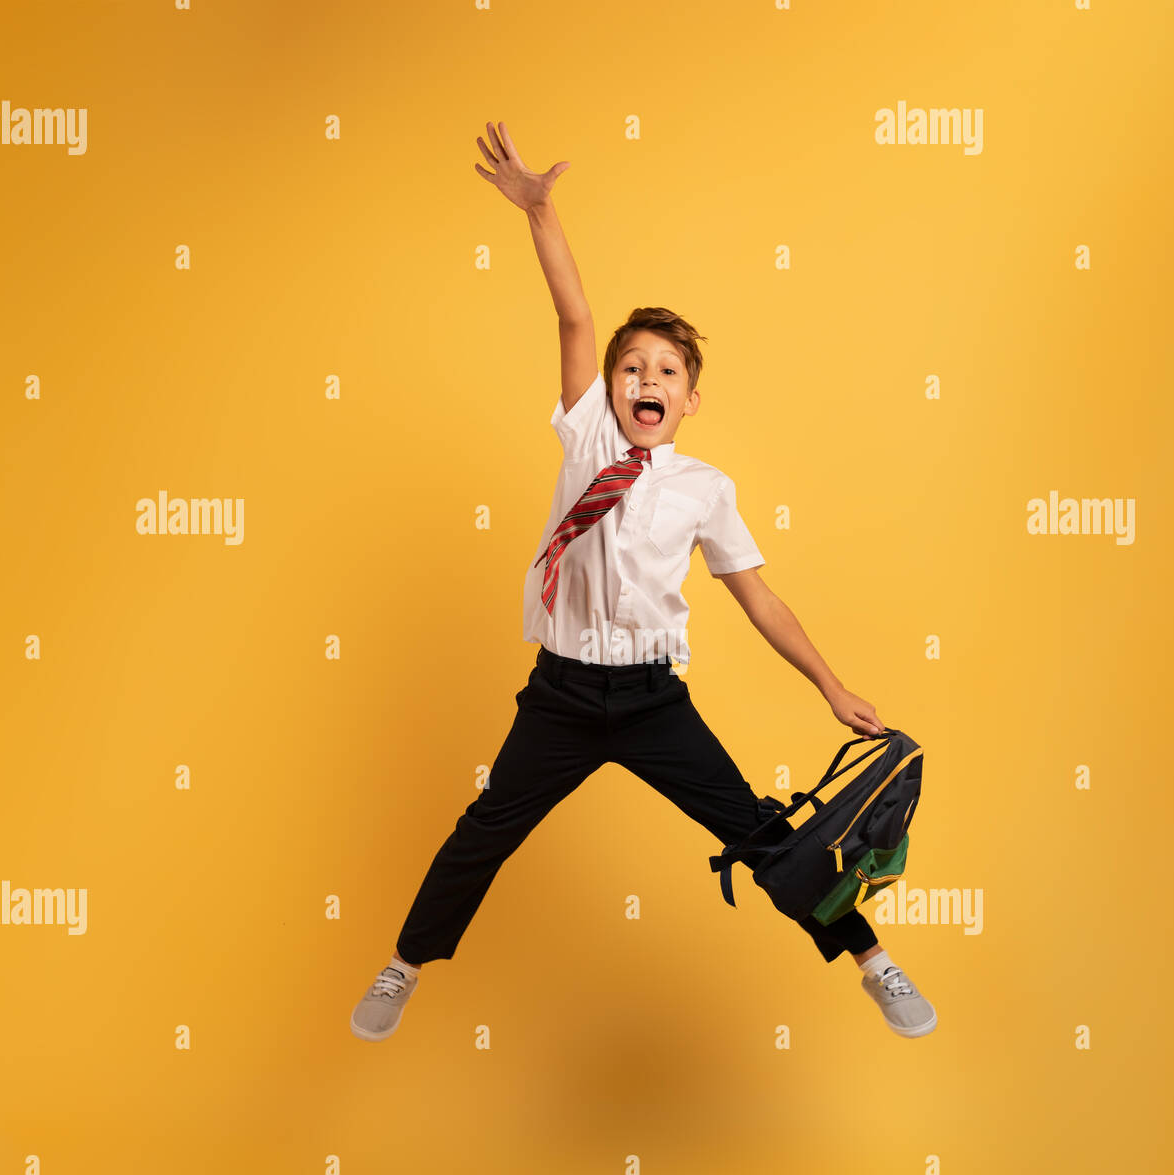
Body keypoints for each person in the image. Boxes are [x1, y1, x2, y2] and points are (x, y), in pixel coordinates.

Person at [351, 121, 936, 1044]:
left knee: (758, 831)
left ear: (689, 399)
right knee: (485, 831)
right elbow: (575, 316)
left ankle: (873, 961)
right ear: (608, 391)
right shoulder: (588, 441)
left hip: (655, 700)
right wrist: (539, 211)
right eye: (631, 369)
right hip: (562, 694)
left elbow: (757, 597)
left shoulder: (706, 490)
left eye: (664, 371)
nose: (643, 379)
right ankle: (403, 965)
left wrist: (830, 687)